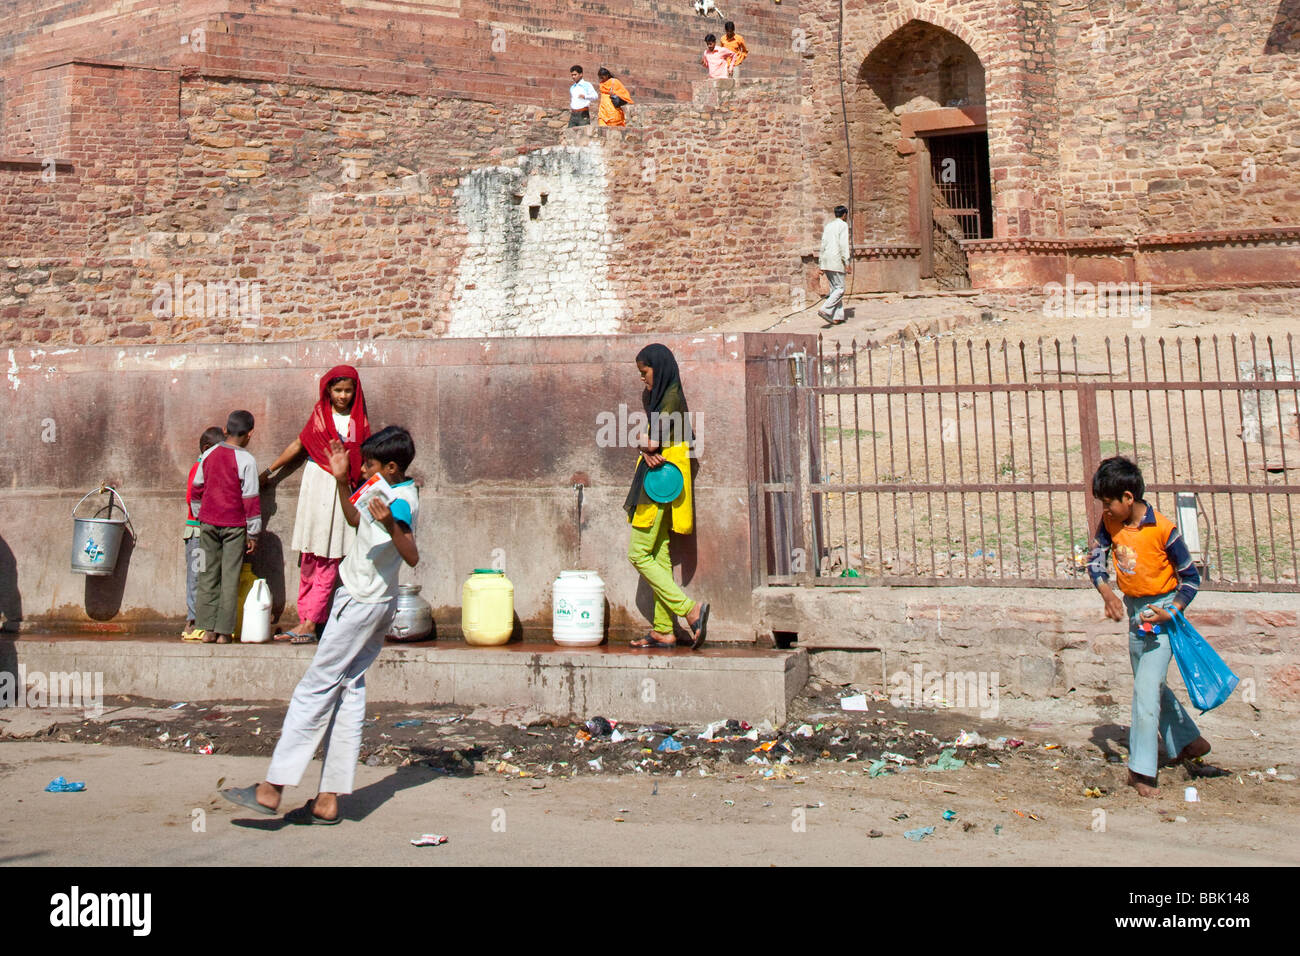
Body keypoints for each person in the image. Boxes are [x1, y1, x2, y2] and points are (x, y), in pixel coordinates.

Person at [221, 426, 420, 824]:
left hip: (362, 603)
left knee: (316, 685)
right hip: (373, 602)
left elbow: (411, 554)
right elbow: (352, 517)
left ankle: (272, 788)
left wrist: (389, 525)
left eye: (370, 464)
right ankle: (329, 798)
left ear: (392, 467)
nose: (365, 468)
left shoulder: (398, 500)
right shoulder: (378, 486)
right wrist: (343, 477)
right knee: (349, 690)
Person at [1087, 456, 1215, 797]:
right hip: (1133, 615)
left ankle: (1140, 771)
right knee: (1152, 684)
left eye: (1108, 503)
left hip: (1162, 618)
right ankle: (1189, 741)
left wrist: (1170, 612)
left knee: (1144, 691)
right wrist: (1107, 593)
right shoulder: (1110, 524)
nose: (1106, 510)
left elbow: (1190, 578)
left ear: (1128, 498)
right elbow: (1095, 560)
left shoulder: (1164, 530)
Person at [262, 366, 371, 644]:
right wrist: (270, 471)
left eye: (348, 390)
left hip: (339, 487)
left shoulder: (359, 423)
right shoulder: (320, 416)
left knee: (330, 553)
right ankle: (304, 619)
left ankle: (312, 621)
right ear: (328, 391)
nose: (343, 396)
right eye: (338, 390)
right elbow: (300, 444)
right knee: (310, 553)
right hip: (315, 485)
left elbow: (364, 461)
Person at [624, 344, 709, 649]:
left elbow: (651, 442)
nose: (642, 379)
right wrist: (647, 447)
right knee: (658, 553)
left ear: (657, 369)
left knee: (638, 553)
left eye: (644, 372)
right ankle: (662, 629)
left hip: (657, 486)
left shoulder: (669, 399)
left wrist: (643, 445)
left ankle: (689, 609)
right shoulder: (667, 396)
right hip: (662, 482)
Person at [191, 411, 261, 645]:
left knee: (207, 574)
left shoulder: (209, 454)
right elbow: (250, 499)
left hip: (208, 524)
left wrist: (201, 514)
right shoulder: (247, 461)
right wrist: (253, 532)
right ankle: (223, 632)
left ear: (225, 430)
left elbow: (196, 488)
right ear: (250, 434)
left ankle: (207, 630)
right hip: (234, 527)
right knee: (230, 577)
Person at [182, 426, 226, 642]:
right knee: (197, 576)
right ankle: (193, 620)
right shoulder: (200, 466)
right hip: (198, 533)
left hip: (211, 532)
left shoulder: (214, 466)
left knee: (209, 577)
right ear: (207, 449)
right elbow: (192, 497)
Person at [818, 205, 851, 324]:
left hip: (827, 260)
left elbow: (823, 245)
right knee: (840, 289)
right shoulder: (843, 225)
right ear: (844, 215)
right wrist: (847, 262)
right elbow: (844, 245)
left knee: (835, 289)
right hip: (837, 260)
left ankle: (838, 316)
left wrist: (820, 264)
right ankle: (825, 309)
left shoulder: (828, 226)